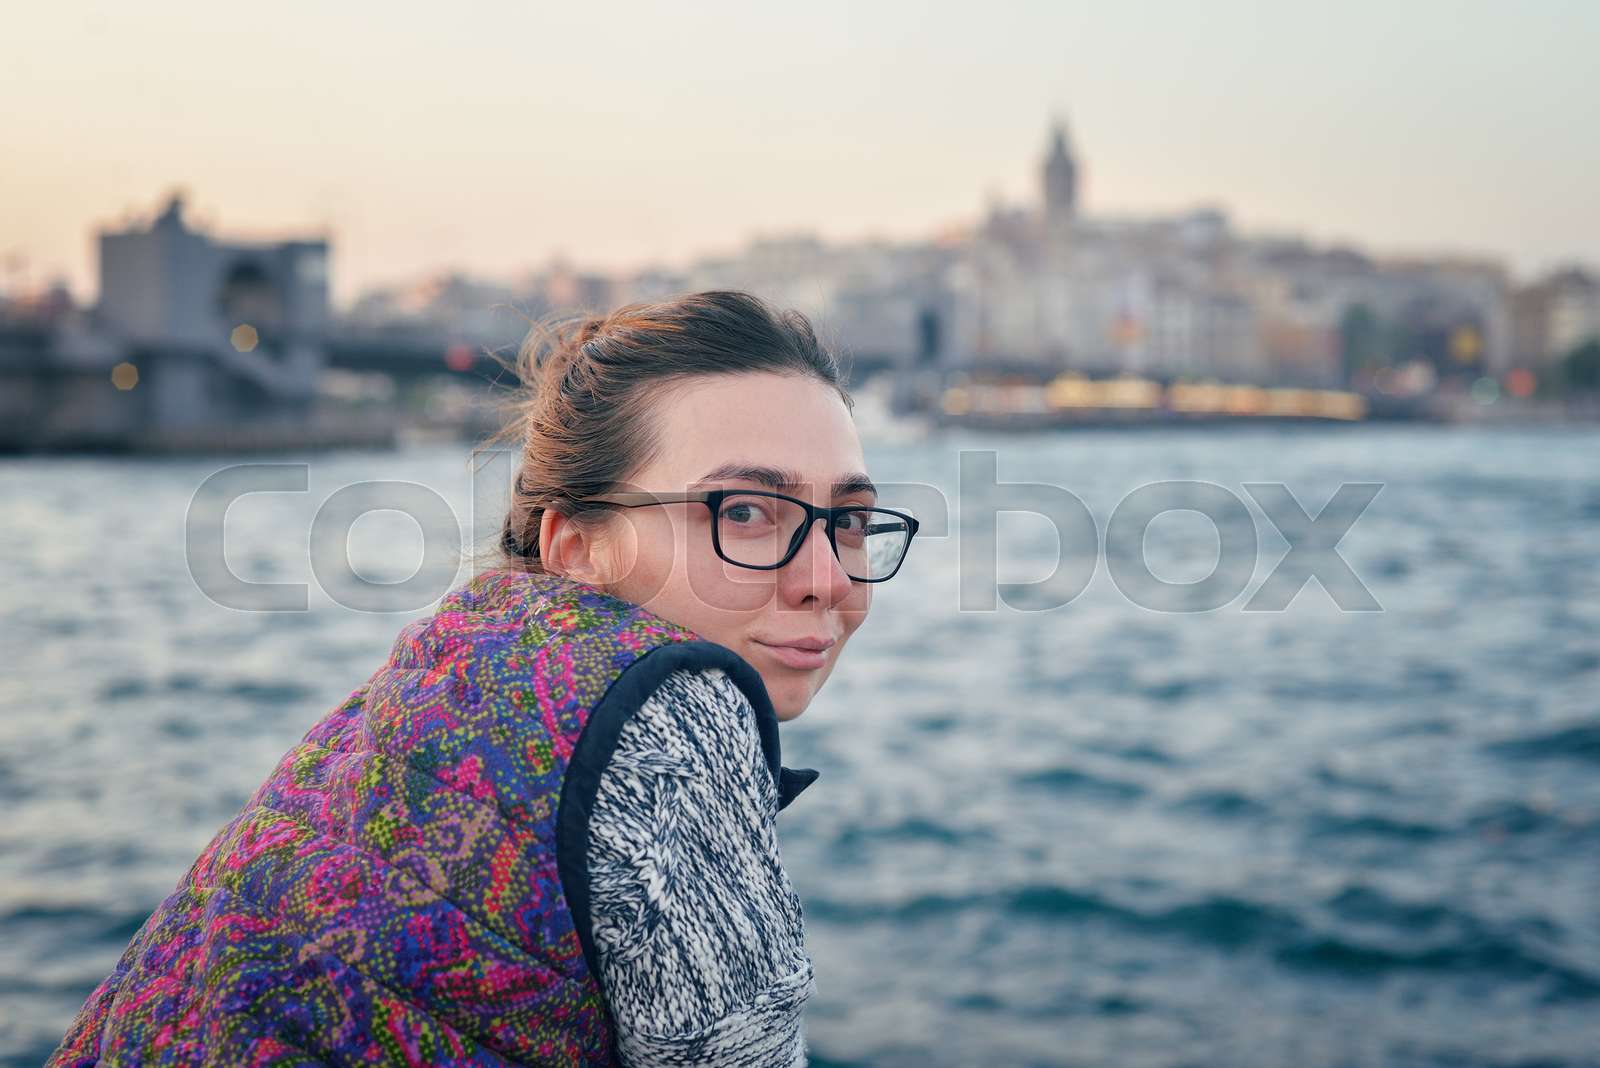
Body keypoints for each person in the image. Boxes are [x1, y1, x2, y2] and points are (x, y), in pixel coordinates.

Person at [48, 290, 920, 1067]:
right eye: (743, 512)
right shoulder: (666, 706)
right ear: (575, 549)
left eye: (847, 519)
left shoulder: (450, 669)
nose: (829, 579)